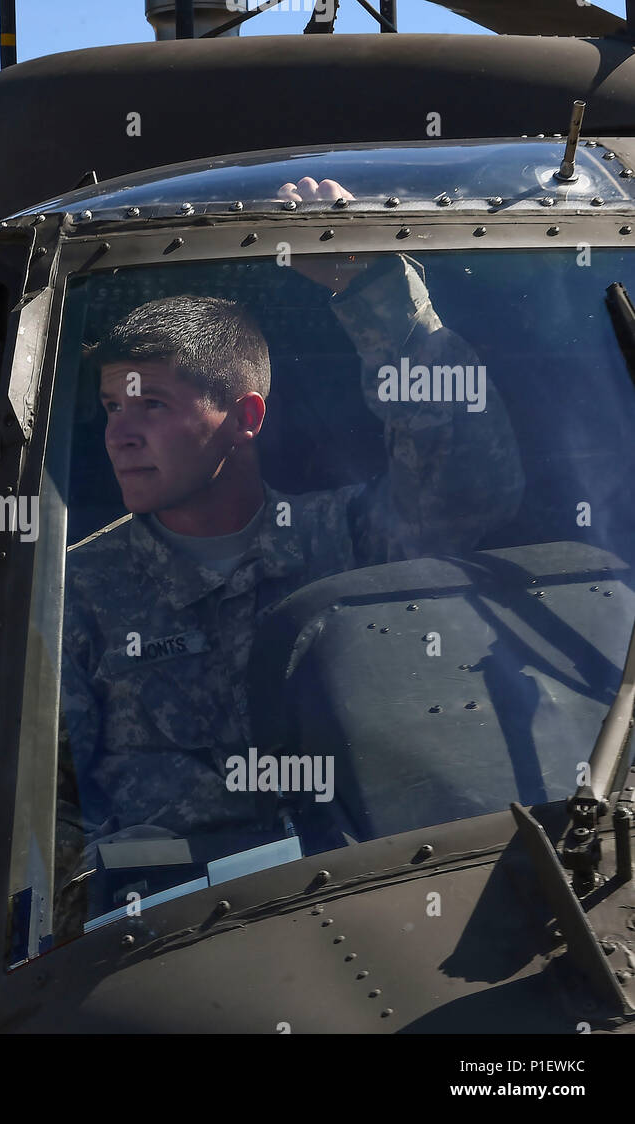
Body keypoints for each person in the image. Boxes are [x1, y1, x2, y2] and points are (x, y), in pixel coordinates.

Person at [57, 180, 524, 899]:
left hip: (393, 902)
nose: (121, 434)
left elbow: (468, 484)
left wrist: (373, 287)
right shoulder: (75, 593)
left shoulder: (343, 538)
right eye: (113, 407)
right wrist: (105, 906)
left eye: (152, 405)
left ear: (246, 417)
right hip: (178, 956)